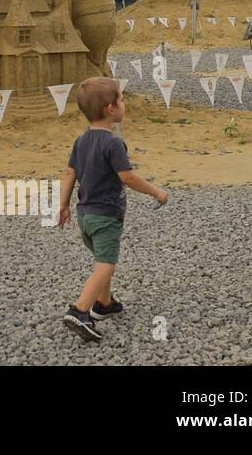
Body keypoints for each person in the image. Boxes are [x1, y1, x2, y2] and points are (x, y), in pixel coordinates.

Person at [57, 76, 168, 342]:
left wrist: (62, 204)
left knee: (101, 259)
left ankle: (104, 304)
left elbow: (70, 173)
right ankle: (80, 309)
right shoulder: (113, 143)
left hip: (85, 216)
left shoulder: (80, 141)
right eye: (121, 99)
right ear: (110, 109)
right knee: (106, 265)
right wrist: (157, 192)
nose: (124, 103)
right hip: (105, 216)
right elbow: (127, 177)